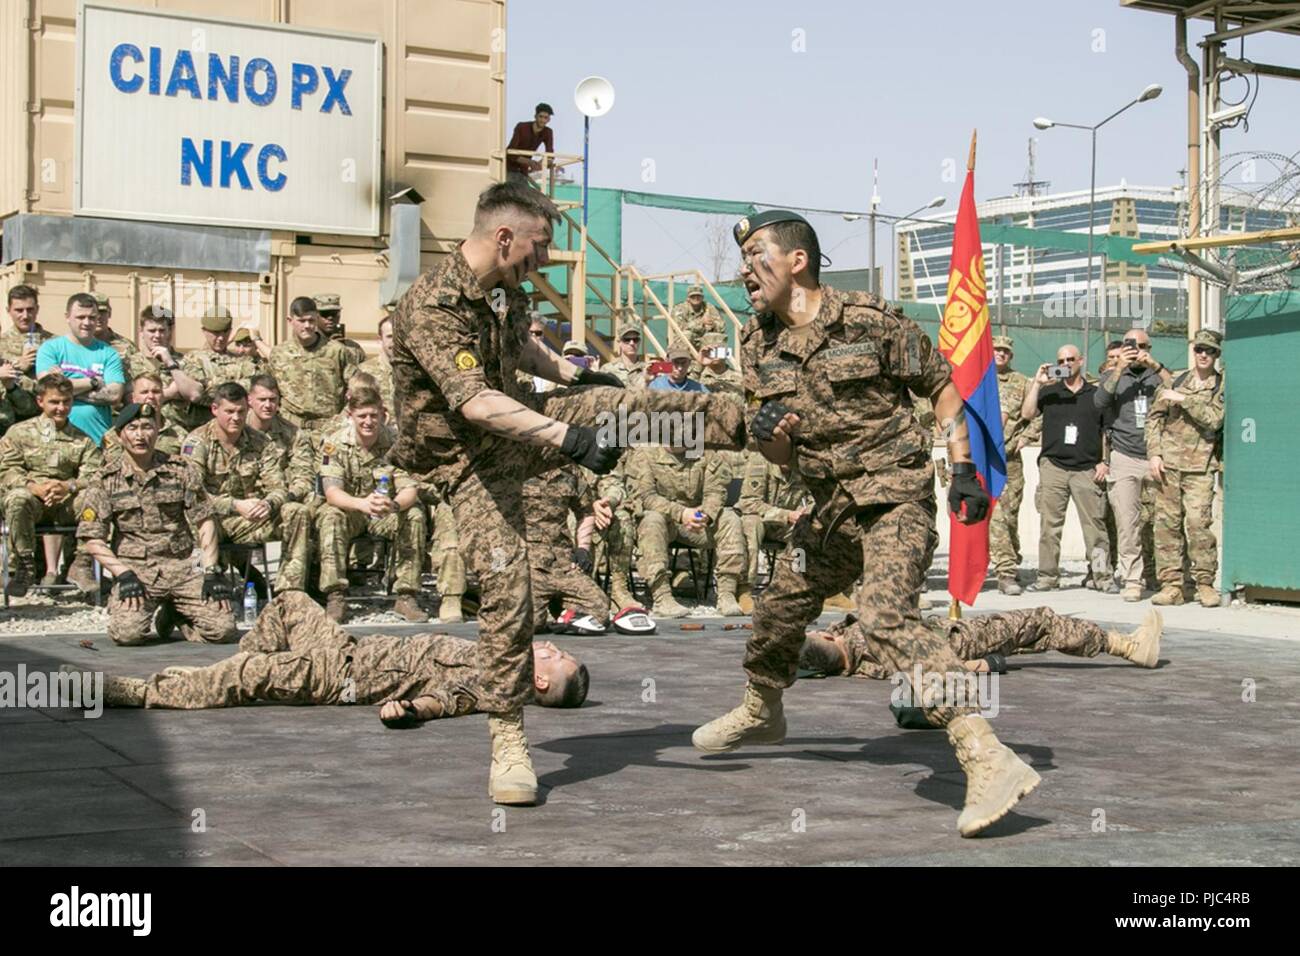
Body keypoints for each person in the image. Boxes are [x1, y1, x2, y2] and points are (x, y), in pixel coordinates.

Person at [387, 182, 745, 806]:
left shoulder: (503, 285)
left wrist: (580, 376)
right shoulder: (431, 303)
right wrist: (568, 438)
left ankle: (751, 424)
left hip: (514, 419)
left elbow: (519, 345)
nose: (544, 259)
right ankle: (507, 742)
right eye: (539, 246)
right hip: (463, 456)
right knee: (506, 579)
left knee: (622, 404)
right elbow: (474, 401)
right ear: (504, 238)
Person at [692, 210, 1043, 839]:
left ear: (797, 260)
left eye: (757, 254)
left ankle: (985, 752)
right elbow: (776, 449)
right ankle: (763, 708)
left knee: (884, 617)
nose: (745, 268)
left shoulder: (869, 319)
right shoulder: (754, 342)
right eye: (742, 257)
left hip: (894, 501)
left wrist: (962, 468)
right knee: (776, 610)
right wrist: (771, 437)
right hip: (828, 511)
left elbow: (941, 388)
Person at [70, 591, 589, 716]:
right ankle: (225, 671)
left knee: (250, 672)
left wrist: (408, 710)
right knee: (292, 601)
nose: (547, 647)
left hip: (335, 678)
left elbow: (448, 700)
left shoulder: (493, 687)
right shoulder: (503, 658)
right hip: (346, 650)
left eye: (553, 658)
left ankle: (137, 692)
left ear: (540, 684)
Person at [76, 402, 237, 646]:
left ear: (157, 431)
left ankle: (177, 614)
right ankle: (168, 608)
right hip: (138, 572)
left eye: (147, 427)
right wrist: (123, 574)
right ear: (120, 436)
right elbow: (92, 537)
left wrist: (211, 571)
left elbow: (205, 520)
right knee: (127, 634)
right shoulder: (105, 480)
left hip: (184, 566)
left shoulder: (180, 469)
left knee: (224, 630)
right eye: (132, 428)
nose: (140, 435)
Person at [180, 382, 312, 595]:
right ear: (215, 410)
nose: (236, 418)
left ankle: (289, 592)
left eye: (241, 411)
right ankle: (211, 582)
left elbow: (278, 487)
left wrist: (268, 504)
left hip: (249, 519)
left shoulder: (259, 442)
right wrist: (235, 505)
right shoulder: (197, 442)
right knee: (203, 516)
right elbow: (193, 494)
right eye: (229, 412)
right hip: (213, 520)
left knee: (297, 512)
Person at [800, 607, 1163, 680]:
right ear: (830, 638)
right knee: (1039, 622)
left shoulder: (859, 663)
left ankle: (1121, 644)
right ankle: (1127, 647)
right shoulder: (869, 638)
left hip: (957, 641)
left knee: (1030, 638)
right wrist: (979, 666)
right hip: (964, 640)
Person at [316, 387, 428, 623]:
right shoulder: (334, 444)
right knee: (330, 515)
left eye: (373, 415)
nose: (368, 422)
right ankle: (335, 596)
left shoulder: (395, 442)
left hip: (384, 512)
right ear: (351, 416)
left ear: (382, 414)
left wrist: (394, 506)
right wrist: (362, 504)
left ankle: (406, 596)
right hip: (352, 512)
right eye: (362, 416)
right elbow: (332, 493)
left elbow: (410, 488)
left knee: (415, 514)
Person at [1020, 344, 1109, 592]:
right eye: (1061, 360)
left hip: (1086, 468)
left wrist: (1105, 461)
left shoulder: (1096, 394)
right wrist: (1038, 383)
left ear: (1081, 360)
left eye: (1071, 359)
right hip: (1054, 467)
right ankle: (1048, 577)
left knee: (1095, 528)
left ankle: (1102, 576)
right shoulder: (1050, 392)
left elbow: (1106, 432)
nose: (1067, 363)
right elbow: (1027, 414)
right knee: (1049, 527)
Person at [1146, 328, 1225, 607]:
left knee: (1198, 525)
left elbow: (1215, 420)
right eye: (1199, 350)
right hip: (1168, 465)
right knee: (1166, 526)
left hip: (1200, 466)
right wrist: (1154, 454)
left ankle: (1204, 582)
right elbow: (1154, 419)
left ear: (1217, 354)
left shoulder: (1220, 385)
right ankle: (1172, 585)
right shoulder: (1177, 379)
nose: (1204, 355)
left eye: (1210, 351)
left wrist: (1185, 400)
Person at [0, 375, 101, 594]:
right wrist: (33, 487)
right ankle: (24, 566)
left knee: (94, 498)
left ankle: (81, 564)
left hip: (66, 504)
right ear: (40, 402)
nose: (61, 408)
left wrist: (68, 487)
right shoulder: (19, 433)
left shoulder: (82, 440)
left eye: (66, 401)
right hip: (32, 503)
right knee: (17, 498)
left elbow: (93, 475)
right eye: (54, 402)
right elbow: (7, 471)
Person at [1094, 326, 1171, 601]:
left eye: (1141, 346)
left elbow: (1180, 390)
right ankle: (1132, 579)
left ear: (1149, 348)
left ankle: (1168, 579)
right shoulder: (1113, 375)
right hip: (1124, 456)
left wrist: (1154, 365)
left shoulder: (1157, 375)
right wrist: (1119, 368)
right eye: (1131, 345)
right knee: (1128, 524)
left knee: (1165, 523)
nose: (1136, 351)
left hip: (1156, 455)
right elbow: (1100, 401)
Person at [627, 444, 745, 617]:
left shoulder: (706, 453)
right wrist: (681, 513)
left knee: (729, 519)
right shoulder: (645, 454)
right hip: (665, 522)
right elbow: (646, 497)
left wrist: (706, 514)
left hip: (697, 522)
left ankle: (726, 594)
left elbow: (715, 491)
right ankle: (662, 597)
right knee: (651, 519)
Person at [523, 464, 611, 632]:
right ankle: (544, 607)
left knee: (599, 613)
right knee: (529, 623)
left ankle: (561, 610)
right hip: (529, 562)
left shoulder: (569, 469)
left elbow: (586, 511)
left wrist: (582, 549)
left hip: (562, 562)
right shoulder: (516, 463)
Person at [35, 293, 126, 446]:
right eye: (80, 317)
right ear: (67, 317)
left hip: (98, 440)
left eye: (92, 317)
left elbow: (115, 395)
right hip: (55, 438)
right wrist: (94, 382)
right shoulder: (50, 348)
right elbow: (48, 389)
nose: (87, 322)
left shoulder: (108, 353)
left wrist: (65, 387)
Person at [988, 336, 1039, 595]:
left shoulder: (1022, 382)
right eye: (996, 349)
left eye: (1005, 351)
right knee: (994, 515)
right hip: (979, 459)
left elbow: (1038, 416)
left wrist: (1026, 438)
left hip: (1009, 460)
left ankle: (1010, 558)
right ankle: (1005, 572)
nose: (1001, 354)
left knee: (1008, 517)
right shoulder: (975, 380)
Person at [269, 297, 358, 434]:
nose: (307, 326)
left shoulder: (336, 351)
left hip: (328, 429)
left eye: (311, 320)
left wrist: (343, 417)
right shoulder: (279, 353)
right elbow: (269, 390)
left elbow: (357, 388)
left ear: (316, 319)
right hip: (290, 429)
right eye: (301, 321)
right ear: (290, 321)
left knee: (328, 457)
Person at [175, 307, 262, 430]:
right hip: (202, 427)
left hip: (237, 428)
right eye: (216, 333)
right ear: (204, 331)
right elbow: (198, 394)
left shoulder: (242, 360)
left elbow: (253, 388)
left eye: (225, 332)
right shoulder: (193, 359)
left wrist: (211, 384)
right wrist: (235, 385)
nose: (221, 338)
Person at [127, 305, 206, 437]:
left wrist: (170, 363)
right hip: (140, 434)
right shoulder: (128, 363)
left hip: (178, 436)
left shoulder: (186, 362)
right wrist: (169, 393)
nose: (157, 336)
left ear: (170, 331)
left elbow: (195, 394)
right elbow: (128, 398)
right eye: (151, 331)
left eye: (162, 330)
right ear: (141, 331)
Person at [102, 373, 191, 465]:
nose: (151, 396)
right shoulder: (116, 435)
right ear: (133, 398)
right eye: (144, 392)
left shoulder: (179, 434)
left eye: (156, 392)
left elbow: (187, 469)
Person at [1, 284, 52, 420]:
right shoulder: (1, 343)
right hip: (9, 419)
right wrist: (17, 365)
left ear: (37, 309)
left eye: (30, 309)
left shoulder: (54, 343)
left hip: (46, 417)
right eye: (19, 310)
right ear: (8, 310)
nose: (25, 316)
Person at [669, 284, 723, 372]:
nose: (696, 298)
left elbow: (721, 326)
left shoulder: (709, 307)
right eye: (693, 296)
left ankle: (717, 368)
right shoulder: (680, 308)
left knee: (718, 337)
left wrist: (713, 324)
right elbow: (679, 328)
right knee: (687, 334)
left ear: (702, 298)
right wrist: (701, 322)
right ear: (688, 298)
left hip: (703, 339)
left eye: (698, 296)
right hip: (683, 341)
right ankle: (684, 363)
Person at [505, 102, 555, 186]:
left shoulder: (548, 132)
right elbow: (511, 152)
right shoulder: (522, 127)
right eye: (540, 116)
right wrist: (530, 162)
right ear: (535, 116)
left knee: (533, 194)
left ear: (549, 119)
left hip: (523, 171)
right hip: (509, 168)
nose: (542, 120)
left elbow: (550, 155)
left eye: (546, 118)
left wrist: (539, 164)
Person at [313, 293, 367, 368]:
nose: (330, 318)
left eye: (334, 313)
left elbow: (364, 376)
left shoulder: (354, 348)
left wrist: (342, 350)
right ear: (315, 316)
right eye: (325, 314)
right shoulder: (309, 346)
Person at [359, 313, 396, 412]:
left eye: (398, 336)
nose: (395, 341)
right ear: (380, 339)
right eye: (389, 336)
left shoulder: (415, 371)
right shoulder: (365, 371)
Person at [91, 293, 138, 369]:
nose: (98, 316)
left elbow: (141, 377)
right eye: (94, 312)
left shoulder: (127, 346)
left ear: (109, 313)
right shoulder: (74, 346)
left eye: (102, 312)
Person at [604, 315, 647, 390]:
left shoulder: (647, 369)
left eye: (635, 339)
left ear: (639, 342)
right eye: (627, 339)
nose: (632, 343)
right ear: (619, 342)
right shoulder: (608, 369)